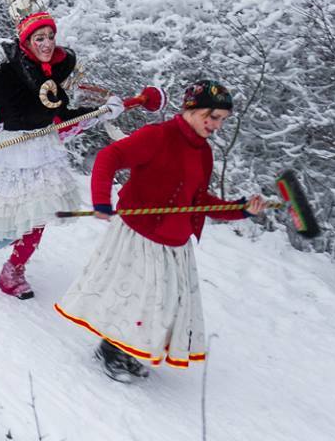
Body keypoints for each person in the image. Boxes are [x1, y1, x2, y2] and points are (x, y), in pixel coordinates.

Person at [55, 80, 265, 382]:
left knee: (160, 303)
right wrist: (102, 200)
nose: (216, 125)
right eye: (212, 116)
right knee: (138, 296)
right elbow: (108, 158)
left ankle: (126, 348)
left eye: (222, 119)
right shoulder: (158, 136)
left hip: (174, 242)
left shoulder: (203, 152)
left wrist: (241, 208)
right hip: (140, 235)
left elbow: (199, 202)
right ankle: (111, 351)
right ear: (191, 109)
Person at [0, 12, 123, 299]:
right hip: (11, 154)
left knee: (39, 213)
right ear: (27, 40)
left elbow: (63, 115)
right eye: (39, 38)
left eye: (51, 37)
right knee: (2, 224)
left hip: (44, 151)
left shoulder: (52, 74)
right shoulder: (4, 77)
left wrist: (102, 112)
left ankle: (14, 270)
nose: (47, 44)